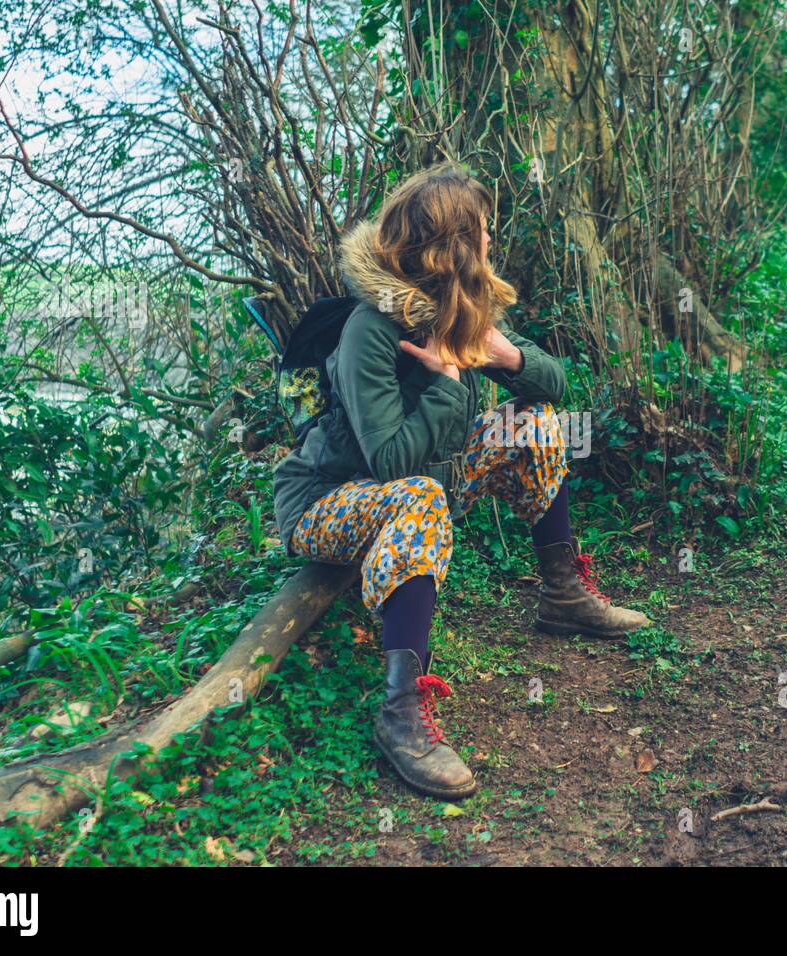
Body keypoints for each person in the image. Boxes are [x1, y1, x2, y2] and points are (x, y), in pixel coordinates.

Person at [271, 162, 648, 799]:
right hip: (327, 501)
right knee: (417, 494)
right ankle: (400, 714)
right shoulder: (373, 326)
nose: (492, 243)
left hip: (423, 480)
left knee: (533, 423)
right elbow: (389, 463)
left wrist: (507, 357)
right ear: (451, 248)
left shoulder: (454, 307)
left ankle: (563, 595)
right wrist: (447, 387)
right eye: (482, 232)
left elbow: (557, 385)